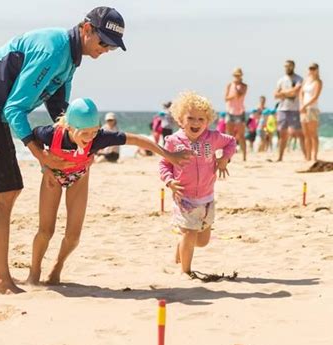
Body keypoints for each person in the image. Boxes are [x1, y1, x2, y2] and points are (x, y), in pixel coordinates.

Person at [0, 6, 127, 294]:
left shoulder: (70, 58)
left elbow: (60, 113)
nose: (107, 49)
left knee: (4, 191)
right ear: (86, 29)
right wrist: (41, 154)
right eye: (104, 42)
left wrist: (82, 145)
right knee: (7, 191)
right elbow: (14, 108)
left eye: (112, 45)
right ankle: (2, 283)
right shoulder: (53, 51)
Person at [26, 98, 191, 285]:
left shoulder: (100, 138)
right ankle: (35, 270)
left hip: (79, 178)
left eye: (94, 131)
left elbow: (137, 139)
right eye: (85, 133)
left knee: (73, 236)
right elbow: (32, 141)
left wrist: (169, 155)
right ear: (69, 127)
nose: (89, 137)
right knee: (46, 230)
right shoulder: (50, 134)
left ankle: (57, 267)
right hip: (52, 178)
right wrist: (45, 166)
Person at [159, 91, 236, 279]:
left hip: (207, 197)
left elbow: (231, 142)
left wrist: (224, 159)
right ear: (180, 119)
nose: (196, 123)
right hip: (183, 197)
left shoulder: (213, 138)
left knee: (202, 241)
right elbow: (164, 164)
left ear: (208, 121)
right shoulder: (173, 141)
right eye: (190, 118)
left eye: (201, 119)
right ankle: (185, 270)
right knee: (189, 233)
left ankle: (181, 246)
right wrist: (169, 181)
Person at [274, 60, 305, 161]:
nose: (287, 68)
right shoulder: (281, 80)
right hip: (282, 109)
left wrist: (283, 93)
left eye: (289, 66)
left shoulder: (299, 79)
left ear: (293, 66)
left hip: (295, 109)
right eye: (286, 66)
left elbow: (297, 91)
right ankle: (280, 157)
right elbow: (275, 95)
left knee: (299, 134)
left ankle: (306, 157)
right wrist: (289, 93)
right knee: (282, 134)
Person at [300, 63, 323, 162]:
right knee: (306, 134)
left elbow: (315, 96)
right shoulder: (306, 81)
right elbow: (301, 92)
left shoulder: (318, 82)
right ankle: (308, 156)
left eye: (313, 68)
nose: (311, 70)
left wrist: (305, 105)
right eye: (310, 68)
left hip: (312, 108)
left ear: (317, 70)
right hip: (303, 109)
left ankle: (314, 156)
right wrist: (301, 105)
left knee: (313, 134)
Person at [224, 68, 247, 161]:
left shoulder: (244, 86)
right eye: (235, 75)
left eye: (238, 75)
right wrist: (233, 94)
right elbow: (226, 98)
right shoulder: (229, 85)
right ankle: (229, 156)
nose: (237, 77)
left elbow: (239, 95)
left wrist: (237, 87)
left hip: (240, 112)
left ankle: (244, 156)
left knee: (241, 136)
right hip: (230, 111)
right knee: (229, 135)